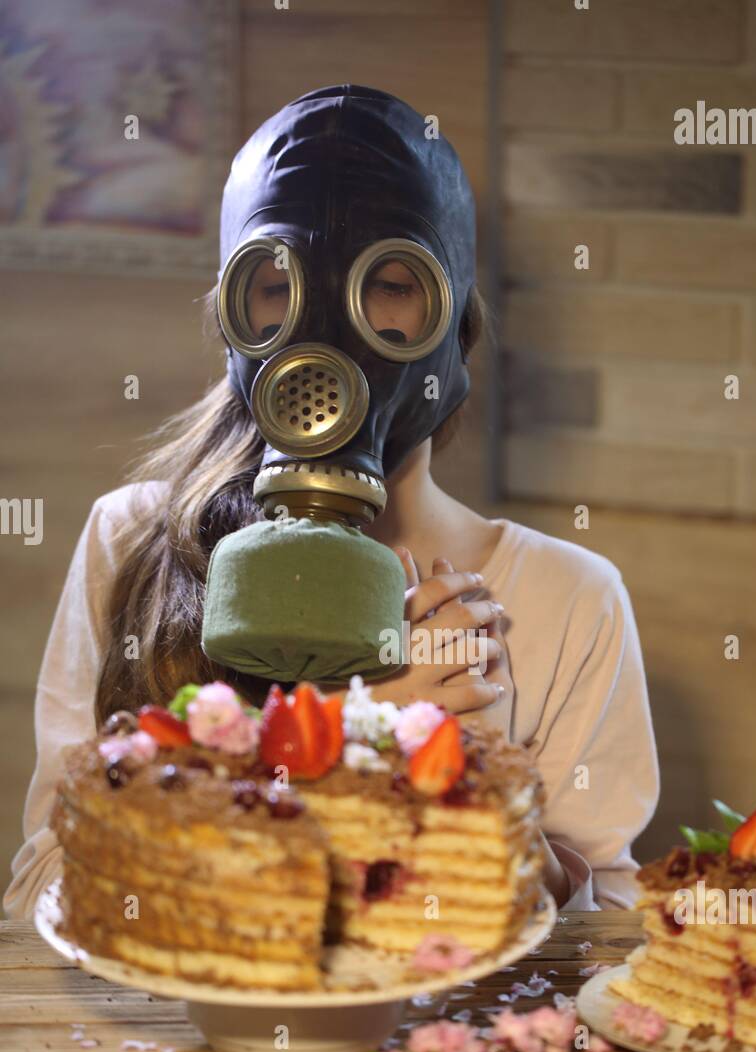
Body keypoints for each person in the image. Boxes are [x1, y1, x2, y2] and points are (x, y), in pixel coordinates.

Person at [4, 86, 658, 923]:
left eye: (389, 284)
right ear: (235, 321)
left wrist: (474, 772)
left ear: (457, 327)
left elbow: (600, 936)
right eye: (275, 288)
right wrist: (360, 739)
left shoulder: (569, 599)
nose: (325, 338)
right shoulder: (132, 538)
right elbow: (43, 895)